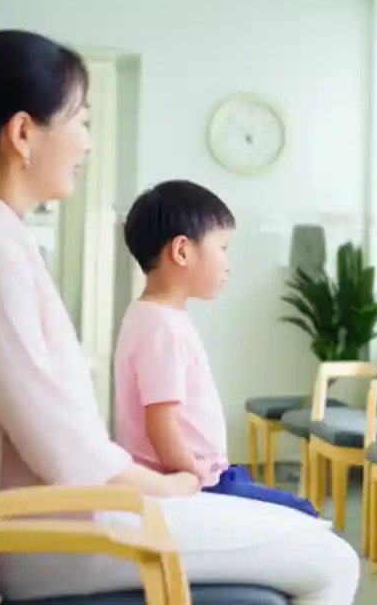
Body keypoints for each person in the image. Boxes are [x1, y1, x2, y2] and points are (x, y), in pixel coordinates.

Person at [0, 30, 358, 605]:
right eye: (81, 119)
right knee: (328, 557)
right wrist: (170, 487)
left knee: (306, 539)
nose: (88, 142)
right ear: (23, 133)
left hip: (40, 517)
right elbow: (69, 456)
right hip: (39, 533)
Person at [114, 179, 318, 517]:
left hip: (208, 475)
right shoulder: (161, 326)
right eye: (222, 247)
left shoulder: (155, 317)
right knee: (304, 513)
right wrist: (190, 477)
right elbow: (160, 421)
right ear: (182, 251)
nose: (228, 263)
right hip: (197, 481)